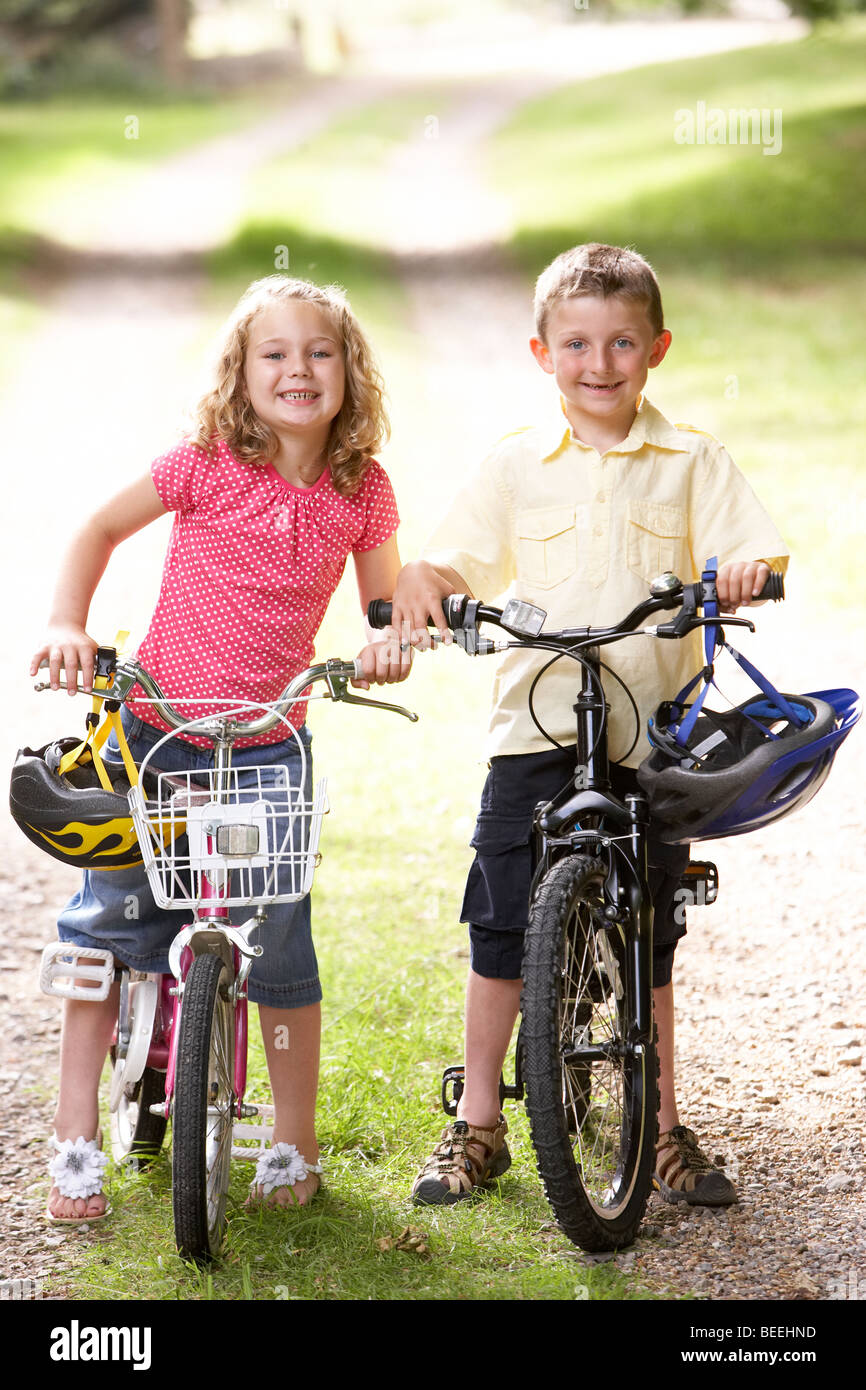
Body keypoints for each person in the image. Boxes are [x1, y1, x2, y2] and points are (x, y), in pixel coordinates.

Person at [391, 243, 788, 1208]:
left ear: (656, 348)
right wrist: (424, 585)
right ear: (542, 352)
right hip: (534, 729)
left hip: (647, 737)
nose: (598, 364)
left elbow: (754, 549)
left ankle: (661, 1132)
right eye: (576, 344)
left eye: (620, 343)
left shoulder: (693, 459)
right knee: (498, 924)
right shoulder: (516, 465)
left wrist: (741, 572)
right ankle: (479, 1122)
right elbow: (453, 564)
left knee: (647, 931)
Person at [31, 275, 408, 1222]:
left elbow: (382, 600)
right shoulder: (203, 462)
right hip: (157, 731)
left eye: (319, 352)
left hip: (270, 743)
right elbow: (98, 527)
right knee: (109, 924)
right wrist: (67, 623)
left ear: (350, 371)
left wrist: (388, 640)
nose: (298, 370)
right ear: (239, 376)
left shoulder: (361, 487)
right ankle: (74, 1133)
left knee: (277, 944)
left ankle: (292, 1139)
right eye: (272, 354)